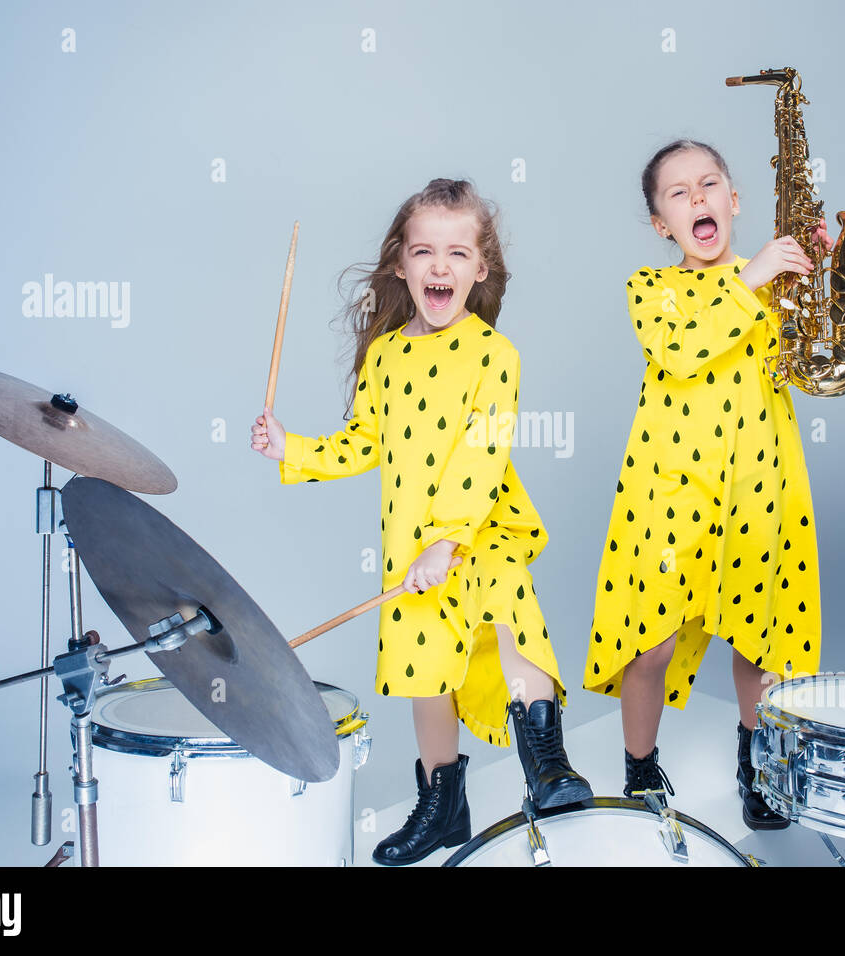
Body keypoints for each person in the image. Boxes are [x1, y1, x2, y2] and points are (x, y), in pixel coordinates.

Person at [252, 178, 591, 865]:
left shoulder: (495, 354)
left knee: (510, 612)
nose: (441, 266)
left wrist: (449, 539)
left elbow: (483, 450)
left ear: (480, 269)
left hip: (481, 530)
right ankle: (444, 805)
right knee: (426, 667)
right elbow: (364, 443)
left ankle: (549, 763)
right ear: (401, 265)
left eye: (457, 253)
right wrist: (294, 449)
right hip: (412, 546)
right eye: (425, 251)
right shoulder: (385, 356)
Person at [583, 140, 828, 830]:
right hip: (672, 491)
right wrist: (750, 276)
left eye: (709, 184)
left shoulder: (773, 282)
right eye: (678, 193)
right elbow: (680, 349)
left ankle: (758, 770)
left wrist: (828, 271)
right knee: (652, 639)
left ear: (735, 200)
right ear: (662, 224)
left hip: (760, 483)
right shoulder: (651, 288)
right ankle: (638, 765)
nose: (698, 199)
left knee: (759, 640)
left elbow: (825, 359)